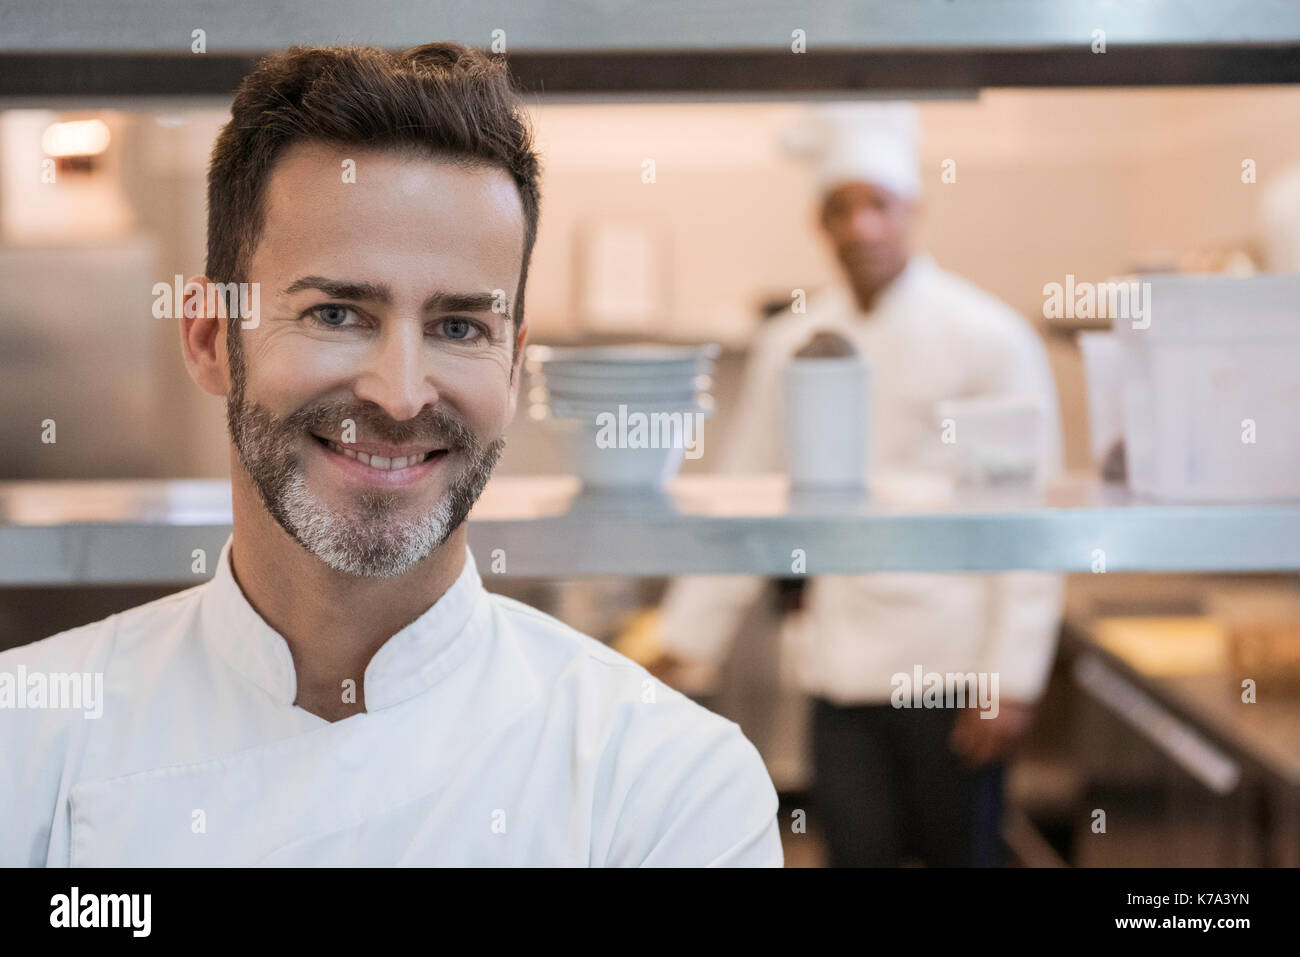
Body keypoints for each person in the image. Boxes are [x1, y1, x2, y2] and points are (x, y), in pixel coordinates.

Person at [0, 43, 781, 867]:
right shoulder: (28, 730)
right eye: (337, 314)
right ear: (207, 336)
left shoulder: (668, 783)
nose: (401, 394)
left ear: (514, 366)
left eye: (458, 328)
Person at [652, 103, 1064, 867]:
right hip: (841, 672)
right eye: (842, 209)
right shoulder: (792, 347)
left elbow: (1024, 513)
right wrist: (684, 645)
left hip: (954, 669)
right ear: (821, 222)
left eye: (879, 205)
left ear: (913, 210)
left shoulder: (987, 336)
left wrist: (1013, 679)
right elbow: (747, 497)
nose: (862, 227)